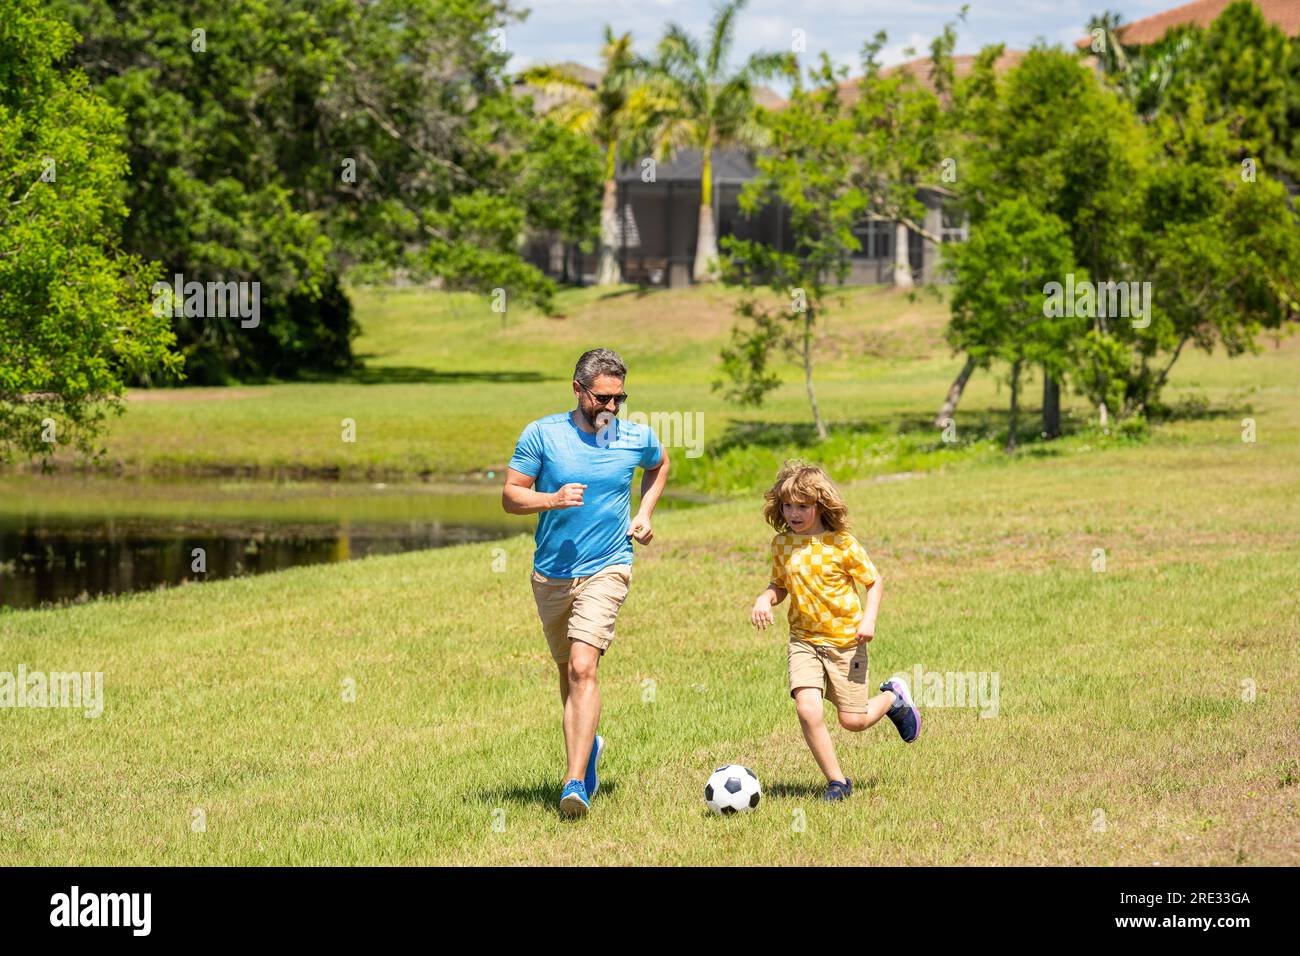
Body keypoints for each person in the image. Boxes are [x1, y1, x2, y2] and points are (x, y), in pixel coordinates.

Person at [502, 348, 669, 817]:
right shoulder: (542, 434)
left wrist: (644, 512)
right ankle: (588, 745)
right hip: (551, 573)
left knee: (582, 667)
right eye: (603, 398)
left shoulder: (636, 436)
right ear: (578, 390)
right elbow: (511, 496)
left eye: (620, 399)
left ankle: (574, 782)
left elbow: (659, 465)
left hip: (609, 565)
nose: (612, 408)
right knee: (567, 673)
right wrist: (551, 499)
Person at [750, 460, 920, 802]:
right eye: (788, 505)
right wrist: (766, 598)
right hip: (804, 640)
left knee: (853, 721)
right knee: (807, 707)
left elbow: (873, 581)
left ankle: (893, 699)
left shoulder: (842, 543)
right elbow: (780, 584)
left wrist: (868, 619)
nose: (794, 513)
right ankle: (838, 783)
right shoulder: (782, 544)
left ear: (820, 505)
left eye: (802, 506)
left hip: (845, 643)